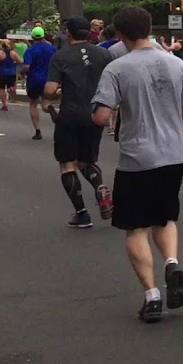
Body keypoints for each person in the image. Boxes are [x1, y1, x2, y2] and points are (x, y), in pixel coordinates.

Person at [91, 7, 183, 323]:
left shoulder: (117, 68)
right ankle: (171, 262)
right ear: (150, 28)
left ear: (121, 35)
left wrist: (92, 114)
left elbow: (101, 115)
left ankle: (152, 296)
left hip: (137, 158)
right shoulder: (177, 63)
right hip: (172, 155)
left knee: (135, 227)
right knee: (164, 217)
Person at [44, 17, 115, 228]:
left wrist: (52, 98)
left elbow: (50, 89)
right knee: (86, 161)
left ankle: (81, 213)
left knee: (67, 164)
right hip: (95, 114)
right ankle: (99, 186)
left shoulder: (61, 56)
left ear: (68, 32)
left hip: (70, 115)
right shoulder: (104, 54)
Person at [22, 27, 57, 140]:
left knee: (33, 103)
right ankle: (49, 108)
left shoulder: (30, 50)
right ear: (43, 36)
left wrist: (22, 71)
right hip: (48, 78)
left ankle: (38, 131)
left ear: (32, 37)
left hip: (34, 79)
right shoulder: (51, 49)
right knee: (46, 101)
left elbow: (27, 66)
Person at [0, 40, 21, 111]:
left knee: (2, 89)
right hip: (12, 73)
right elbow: (19, 61)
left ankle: (5, 104)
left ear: (1, 46)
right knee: (10, 86)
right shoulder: (13, 53)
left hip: (1, 73)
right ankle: (11, 90)